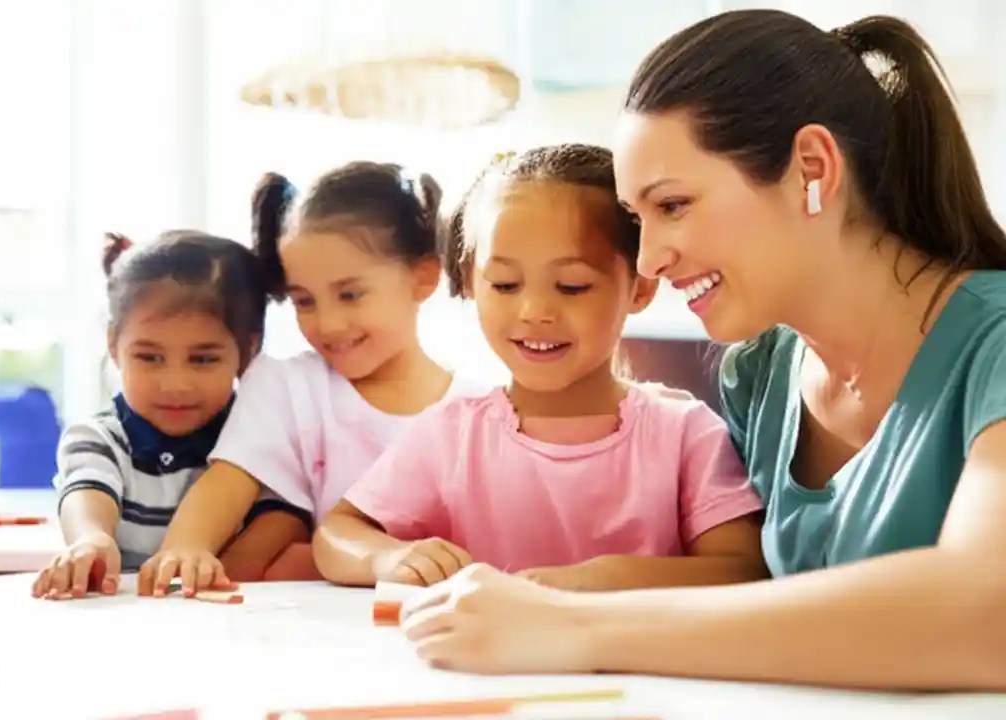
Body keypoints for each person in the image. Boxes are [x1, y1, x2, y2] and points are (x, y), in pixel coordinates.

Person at [395, 10, 1006, 692]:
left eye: (674, 205)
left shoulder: (996, 345)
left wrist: (574, 626)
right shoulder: (761, 375)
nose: (651, 257)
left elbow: (988, 614)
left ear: (812, 167)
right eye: (637, 220)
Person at [313, 144, 764, 590]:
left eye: (572, 286)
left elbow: (742, 570)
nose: (533, 311)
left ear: (640, 289)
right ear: (471, 283)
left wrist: (609, 578)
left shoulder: (685, 434)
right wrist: (388, 556)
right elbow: (337, 534)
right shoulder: (451, 435)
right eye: (505, 284)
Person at [142, 163, 485, 597]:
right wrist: (186, 548)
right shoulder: (288, 384)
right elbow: (229, 482)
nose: (328, 323)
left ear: (423, 277)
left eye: (350, 294)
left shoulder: (479, 409)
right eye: (304, 301)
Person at [32, 229, 280, 599]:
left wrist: (220, 567)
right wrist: (91, 539)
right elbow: (87, 491)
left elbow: (280, 521)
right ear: (114, 346)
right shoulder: (99, 437)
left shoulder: (254, 439)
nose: (175, 384)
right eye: (149, 357)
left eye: (203, 359)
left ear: (248, 351)